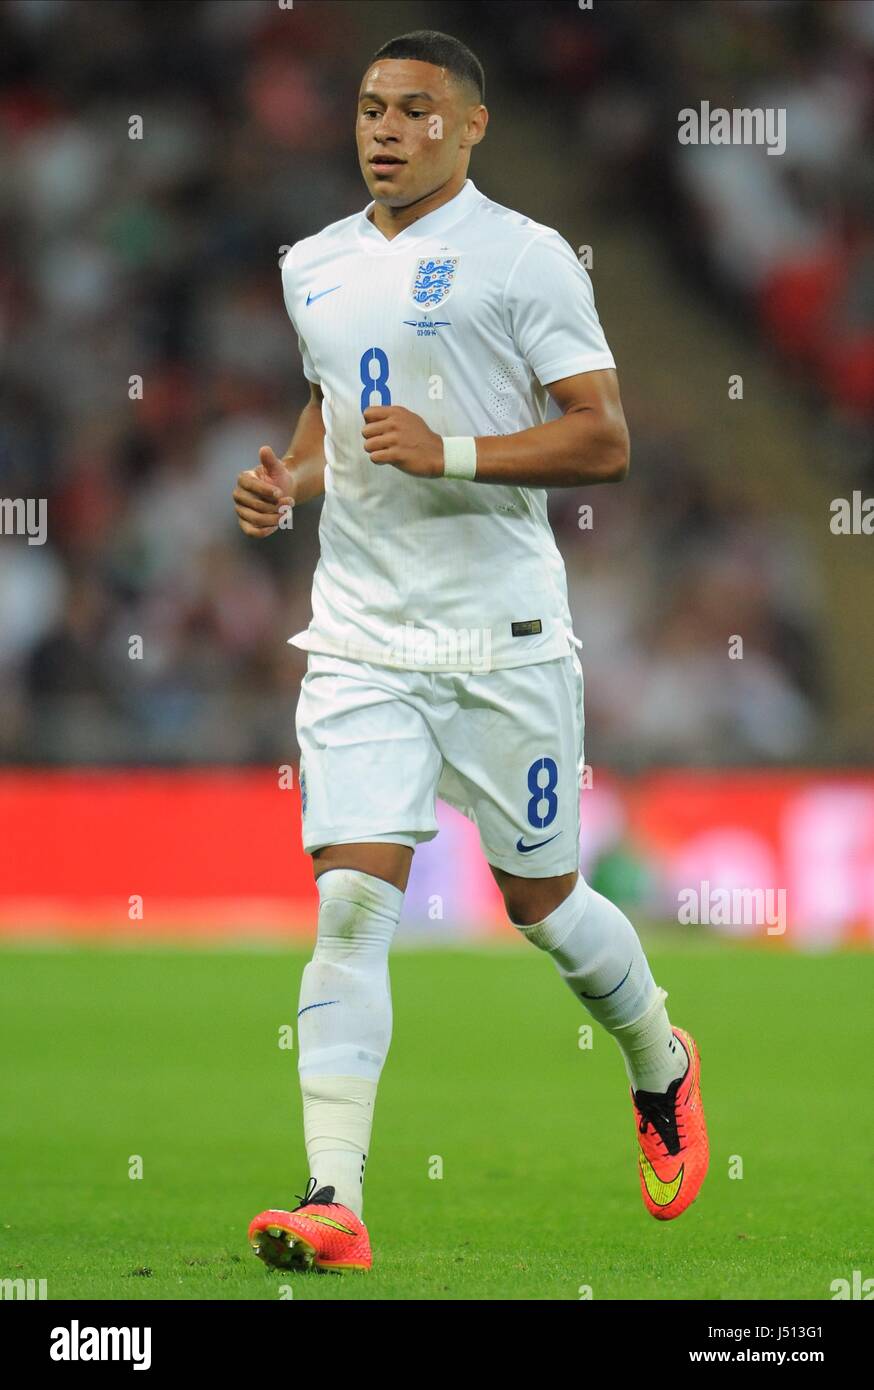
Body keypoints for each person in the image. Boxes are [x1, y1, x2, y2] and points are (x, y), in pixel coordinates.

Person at [234, 29, 708, 1275]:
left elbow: (600, 440)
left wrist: (445, 452)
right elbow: (337, 407)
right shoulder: (316, 266)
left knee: (546, 906)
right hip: (361, 639)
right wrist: (291, 477)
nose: (385, 130)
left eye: (414, 111)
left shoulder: (526, 257)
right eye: (369, 108)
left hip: (501, 640)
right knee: (349, 904)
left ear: (472, 126)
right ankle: (333, 1198)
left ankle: (659, 1054)